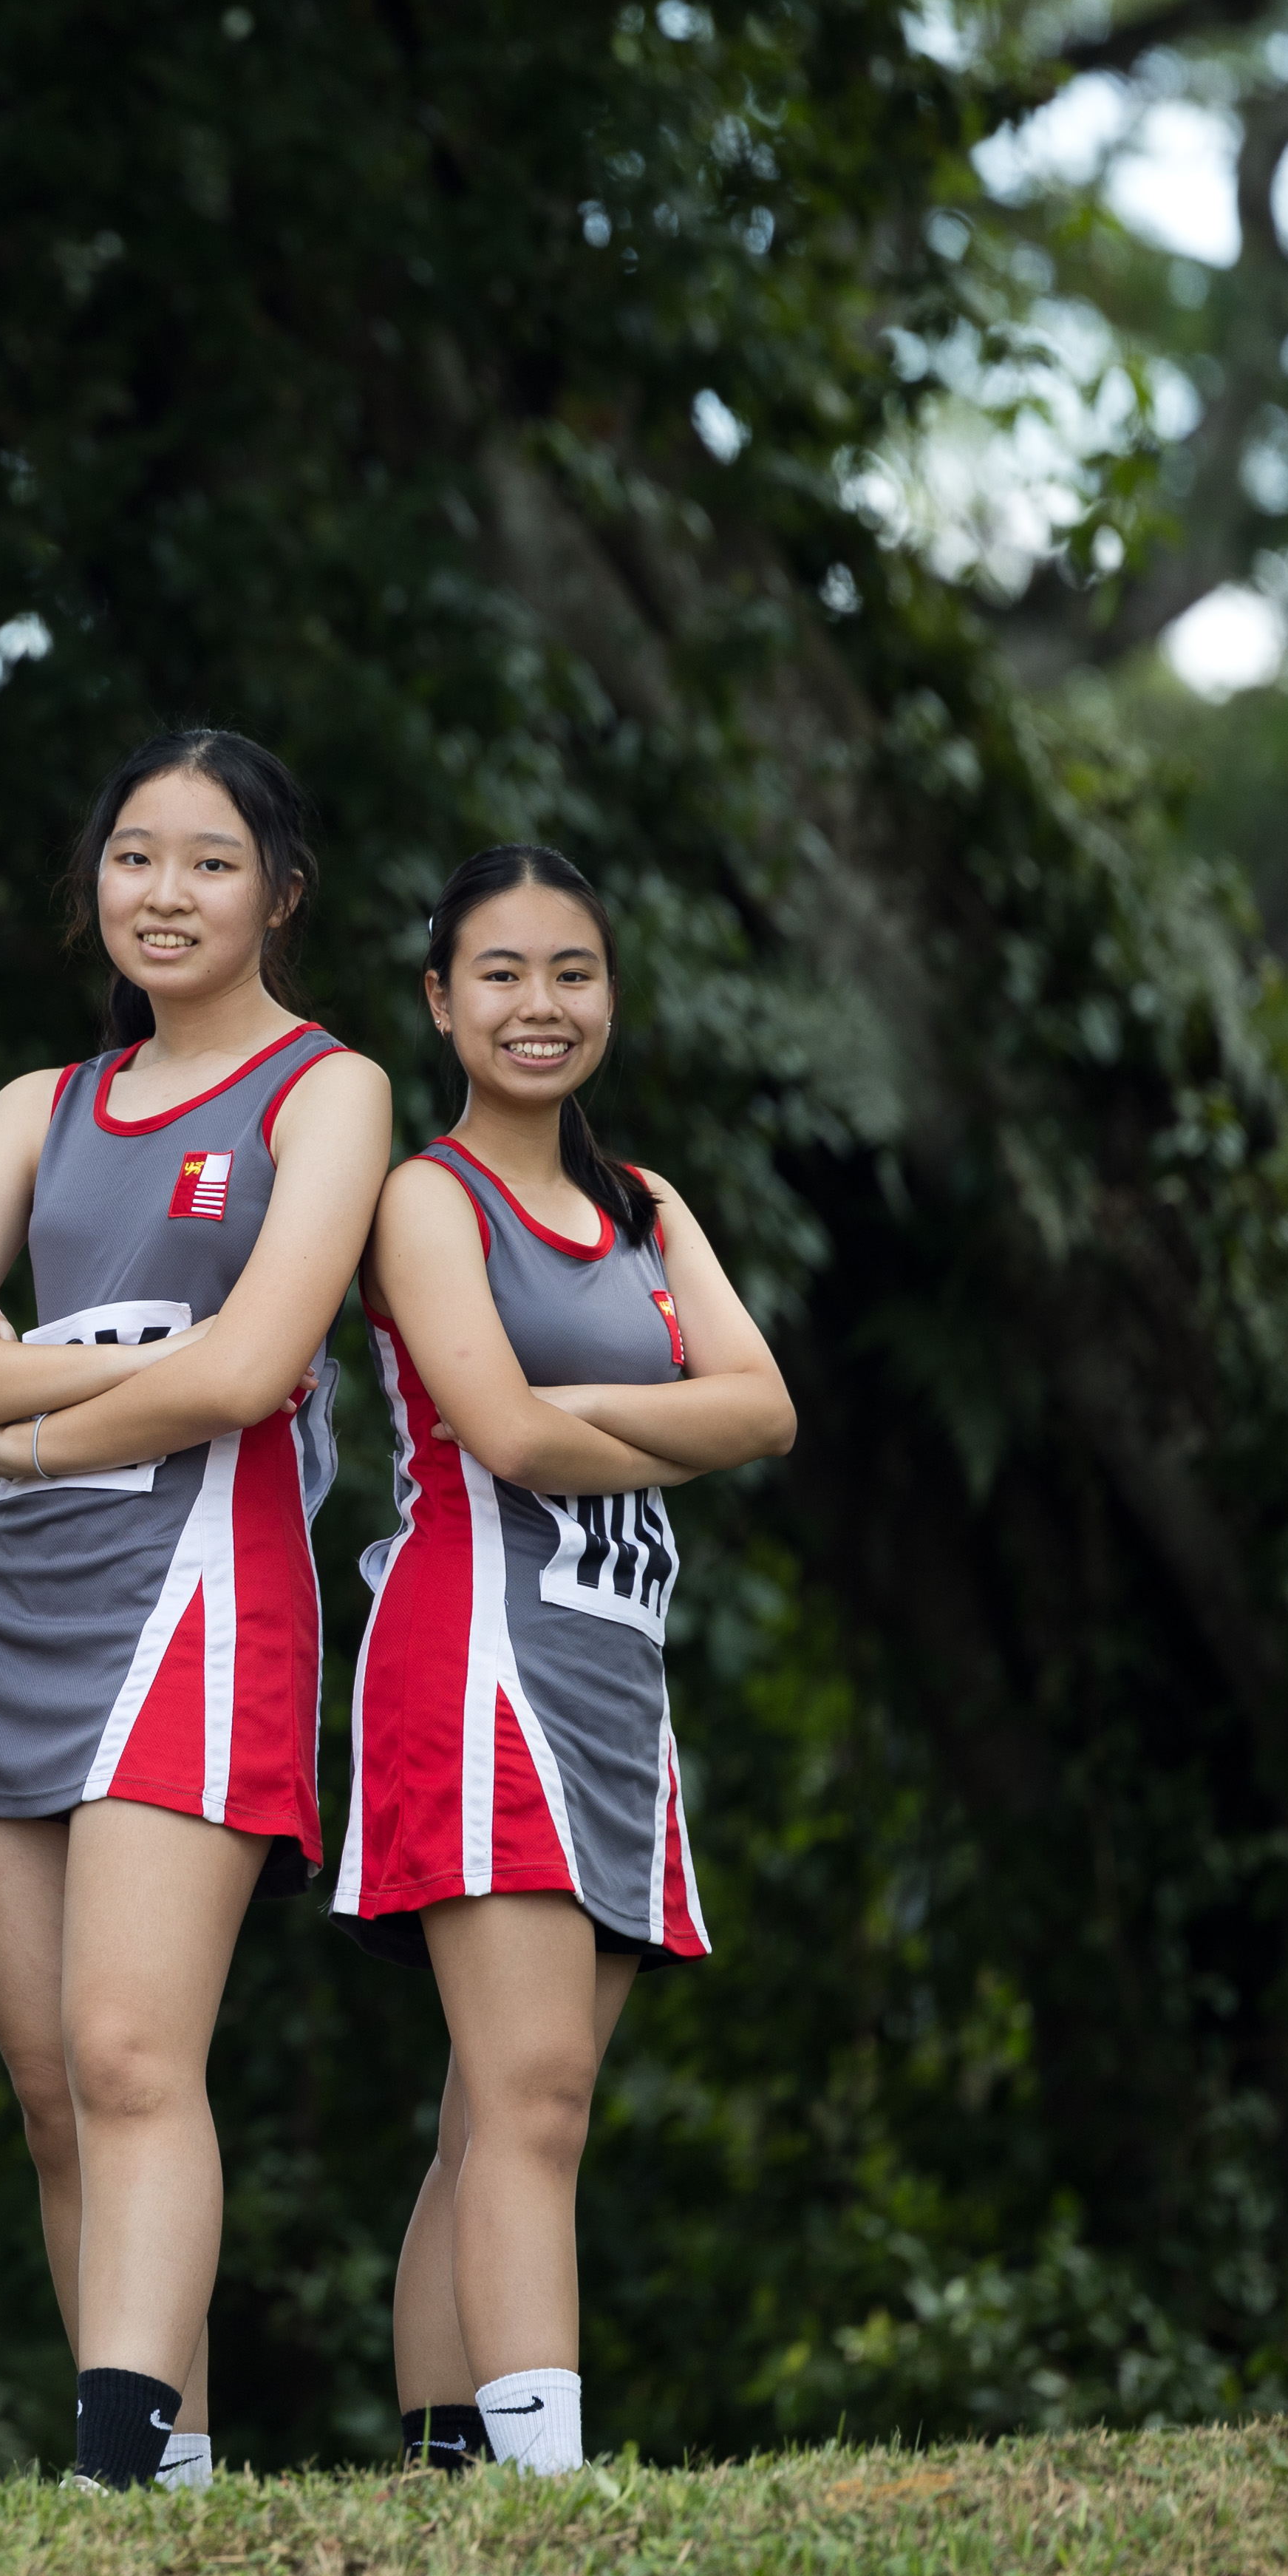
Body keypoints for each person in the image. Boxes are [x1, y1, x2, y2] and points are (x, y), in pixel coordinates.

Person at [0, 730, 386, 2492]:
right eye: (136, 857)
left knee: (131, 2048)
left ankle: (104, 2477)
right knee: (49, 2083)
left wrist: (21, 1415)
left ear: (281, 893)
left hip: (210, 1603)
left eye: (211, 861)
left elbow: (250, 1367)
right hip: (19, 1621)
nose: (166, 893)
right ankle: (177, 2472)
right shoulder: (41, 1107)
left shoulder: (327, 1092)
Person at [334, 843, 794, 2476]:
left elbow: (768, 1404)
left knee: (500, 2108)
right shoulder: (419, 1197)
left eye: (574, 970)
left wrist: (567, 1419)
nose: (542, 1002)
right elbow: (509, 1437)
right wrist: (618, 1424)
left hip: (616, 1679)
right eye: (504, 972)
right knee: (531, 2096)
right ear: (441, 1002)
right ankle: (545, 2482)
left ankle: (454, 2472)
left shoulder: (645, 1205)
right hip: (478, 1661)